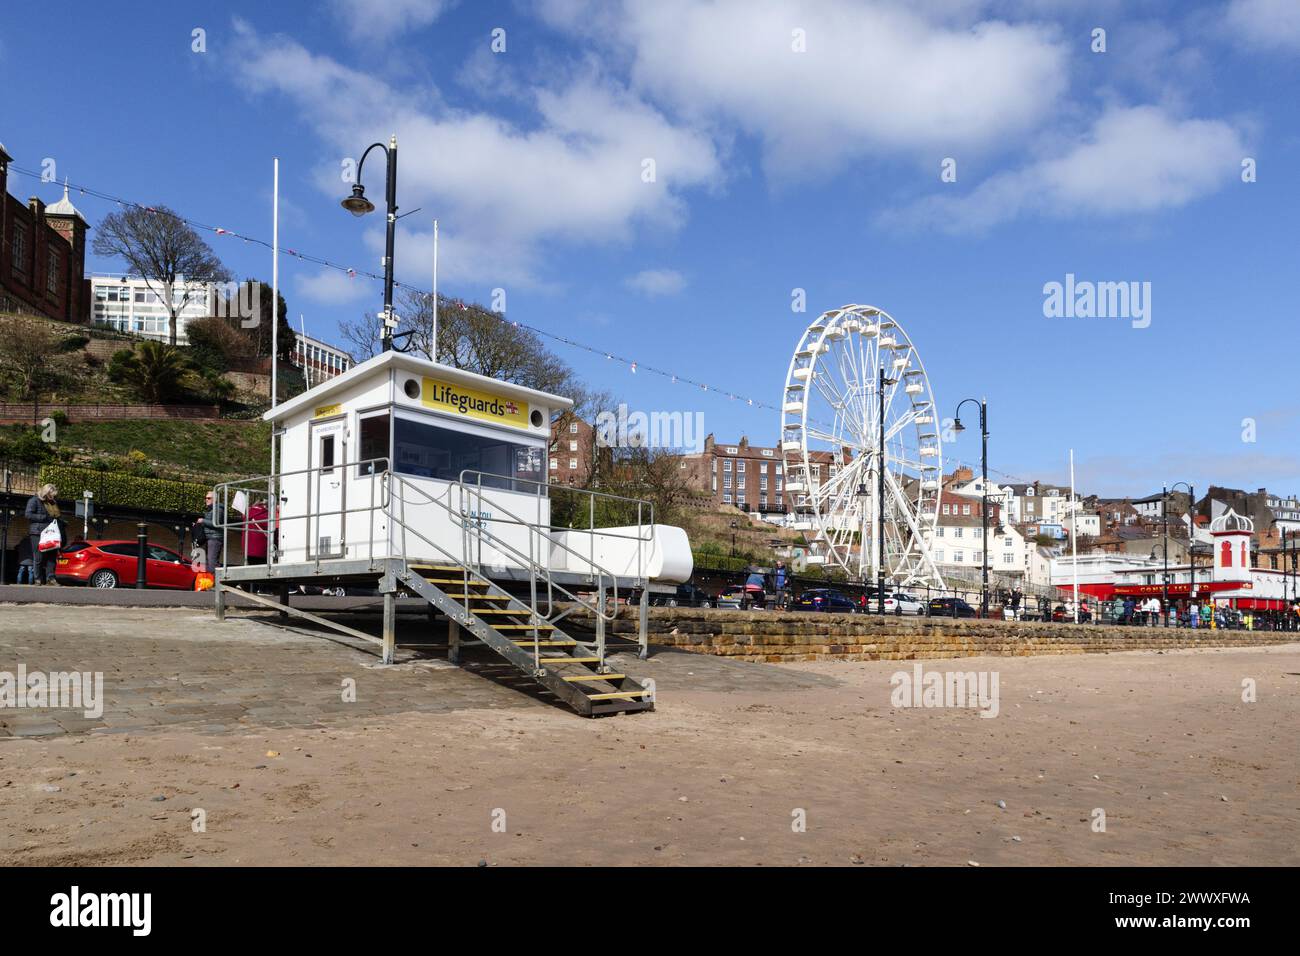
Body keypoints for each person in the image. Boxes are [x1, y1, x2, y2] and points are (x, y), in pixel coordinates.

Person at [26, 483, 64, 585]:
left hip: (51, 532)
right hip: (37, 532)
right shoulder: (34, 500)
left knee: (52, 556)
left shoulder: (52, 503)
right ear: (46, 493)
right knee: (38, 557)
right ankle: (37, 579)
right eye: (51, 495)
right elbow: (28, 514)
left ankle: (51, 578)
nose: (53, 497)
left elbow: (56, 515)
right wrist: (44, 518)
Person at [195, 491, 226, 573]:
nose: (206, 500)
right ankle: (210, 580)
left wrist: (203, 521)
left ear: (215, 499)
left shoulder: (218, 509)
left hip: (215, 538)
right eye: (205, 498)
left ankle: (215, 581)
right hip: (210, 538)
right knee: (209, 561)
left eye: (208, 498)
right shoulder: (212, 509)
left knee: (212, 562)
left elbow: (216, 523)